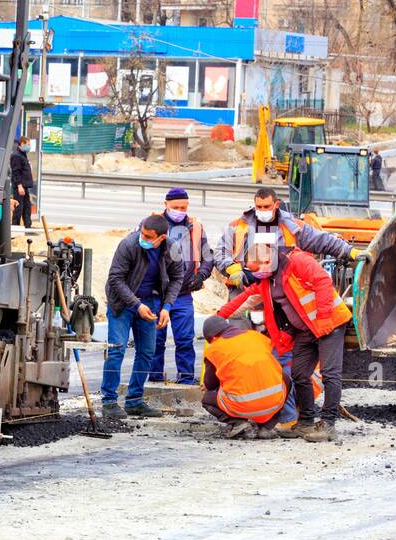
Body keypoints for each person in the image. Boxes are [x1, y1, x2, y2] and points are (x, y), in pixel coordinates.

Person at [217, 247, 351, 442]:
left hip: (330, 323)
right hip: (306, 329)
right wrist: (218, 317)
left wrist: (322, 317)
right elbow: (243, 300)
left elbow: (323, 282)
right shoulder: (266, 282)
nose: (257, 272)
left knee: (330, 374)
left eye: (259, 267)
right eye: (253, 270)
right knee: (298, 374)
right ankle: (305, 422)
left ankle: (328, 424)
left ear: (269, 259)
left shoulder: (298, 263)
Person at [101, 215, 184, 419]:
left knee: (147, 352)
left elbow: (177, 277)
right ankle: (109, 401)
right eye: (142, 233)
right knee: (116, 350)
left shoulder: (171, 248)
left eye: (148, 236)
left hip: (150, 303)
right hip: (122, 303)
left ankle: (134, 401)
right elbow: (115, 279)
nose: (143, 238)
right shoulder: (128, 244)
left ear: (162, 238)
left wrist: (167, 307)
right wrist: (136, 305)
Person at [217, 186, 356, 288]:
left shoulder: (292, 226)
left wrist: (349, 251)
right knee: (239, 323)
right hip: (244, 284)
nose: (262, 211)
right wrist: (231, 268)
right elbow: (220, 252)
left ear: (276, 205)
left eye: (266, 207)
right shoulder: (238, 226)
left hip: (280, 287)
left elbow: (323, 240)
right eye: (259, 207)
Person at [149, 186, 216, 385]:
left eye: (183, 207)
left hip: (183, 293)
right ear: (166, 205)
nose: (180, 210)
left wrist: (202, 275)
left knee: (185, 339)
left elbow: (208, 256)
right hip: (157, 294)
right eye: (176, 206)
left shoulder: (195, 227)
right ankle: (153, 378)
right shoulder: (152, 225)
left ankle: (186, 378)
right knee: (155, 340)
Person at [199, 315, 289, 439]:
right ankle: (266, 427)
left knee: (207, 399)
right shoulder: (256, 337)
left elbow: (210, 384)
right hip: (272, 403)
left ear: (213, 337)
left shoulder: (214, 349)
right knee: (285, 379)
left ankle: (239, 423)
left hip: (240, 406)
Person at [9, 136, 35, 227]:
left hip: (25, 187)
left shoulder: (22, 154)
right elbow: (16, 172)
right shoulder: (16, 155)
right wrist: (19, 186)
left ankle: (28, 227)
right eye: (28, 145)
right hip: (20, 187)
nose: (29, 147)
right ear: (22, 144)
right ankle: (15, 227)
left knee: (27, 208)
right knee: (18, 209)